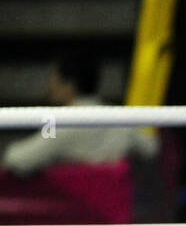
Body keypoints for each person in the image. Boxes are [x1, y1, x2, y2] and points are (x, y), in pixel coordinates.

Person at [3, 53, 158, 176]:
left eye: (53, 79)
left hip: (77, 208)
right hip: (115, 208)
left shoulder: (57, 122)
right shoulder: (118, 117)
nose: (48, 87)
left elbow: (18, 159)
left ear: (69, 85)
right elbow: (150, 147)